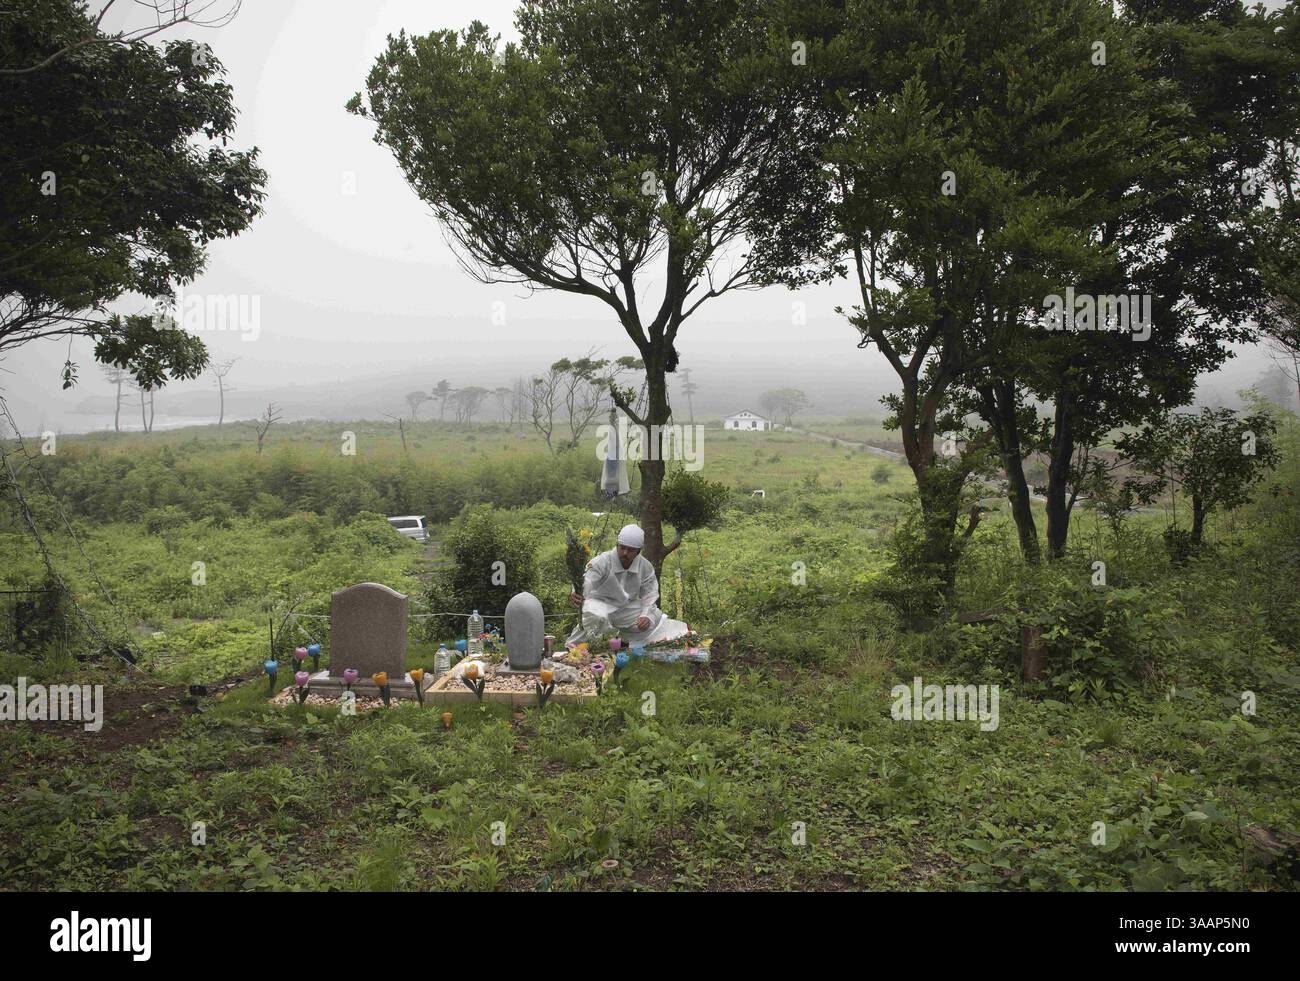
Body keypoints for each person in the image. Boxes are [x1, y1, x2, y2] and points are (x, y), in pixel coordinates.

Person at [566, 523, 688, 646]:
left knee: (652, 618)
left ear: (638, 551)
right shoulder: (602, 561)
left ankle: (627, 642)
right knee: (592, 617)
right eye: (622, 547)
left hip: (626, 608)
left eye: (630, 550)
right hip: (600, 604)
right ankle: (572, 649)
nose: (625, 553)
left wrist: (646, 616)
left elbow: (650, 595)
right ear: (617, 545)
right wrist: (576, 592)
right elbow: (586, 580)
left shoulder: (645, 567)